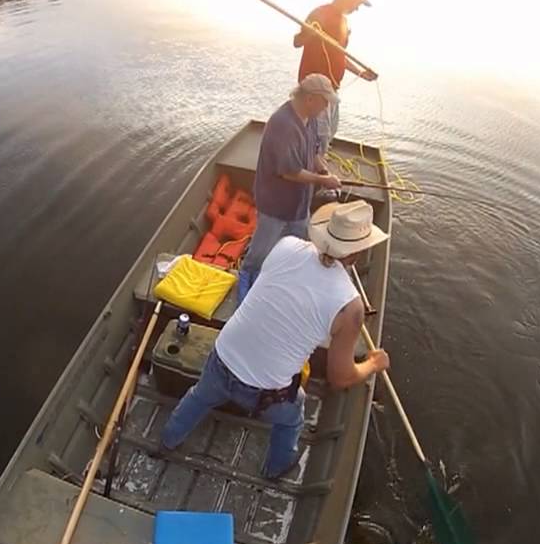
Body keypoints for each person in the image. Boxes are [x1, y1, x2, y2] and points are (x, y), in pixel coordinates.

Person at [161, 199, 391, 480]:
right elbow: (340, 378)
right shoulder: (350, 307)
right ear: (356, 253)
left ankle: (168, 439)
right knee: (292, 419)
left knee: (199, 396)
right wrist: (372, 363)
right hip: (265, 393)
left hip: (221, 358)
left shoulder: (287, 245)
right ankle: (276, 468)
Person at [237, 73, 342, 300]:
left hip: (299, 204)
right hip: (275, 204)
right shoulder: (282, 124)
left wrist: (323, 169)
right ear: (310, 99)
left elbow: (313, 153)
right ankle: (246, 280)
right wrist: (324, 181)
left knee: (299, 244)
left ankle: (285, 282)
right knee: (259, 252)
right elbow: (289, 172)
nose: (326, 109)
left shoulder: (311, 119)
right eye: (325, 103)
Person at [294, 0, 377, 158]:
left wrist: (360, 73)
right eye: (358, 4)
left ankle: (317, 168)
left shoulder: (344, 22)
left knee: (328, 133)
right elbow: (297, 42)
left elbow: (340, 56)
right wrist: (309, 33)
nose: (357, 9)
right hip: (315, 91)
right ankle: (313, 176)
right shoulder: (319, 14)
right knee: (317, 137)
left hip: (332, 90)